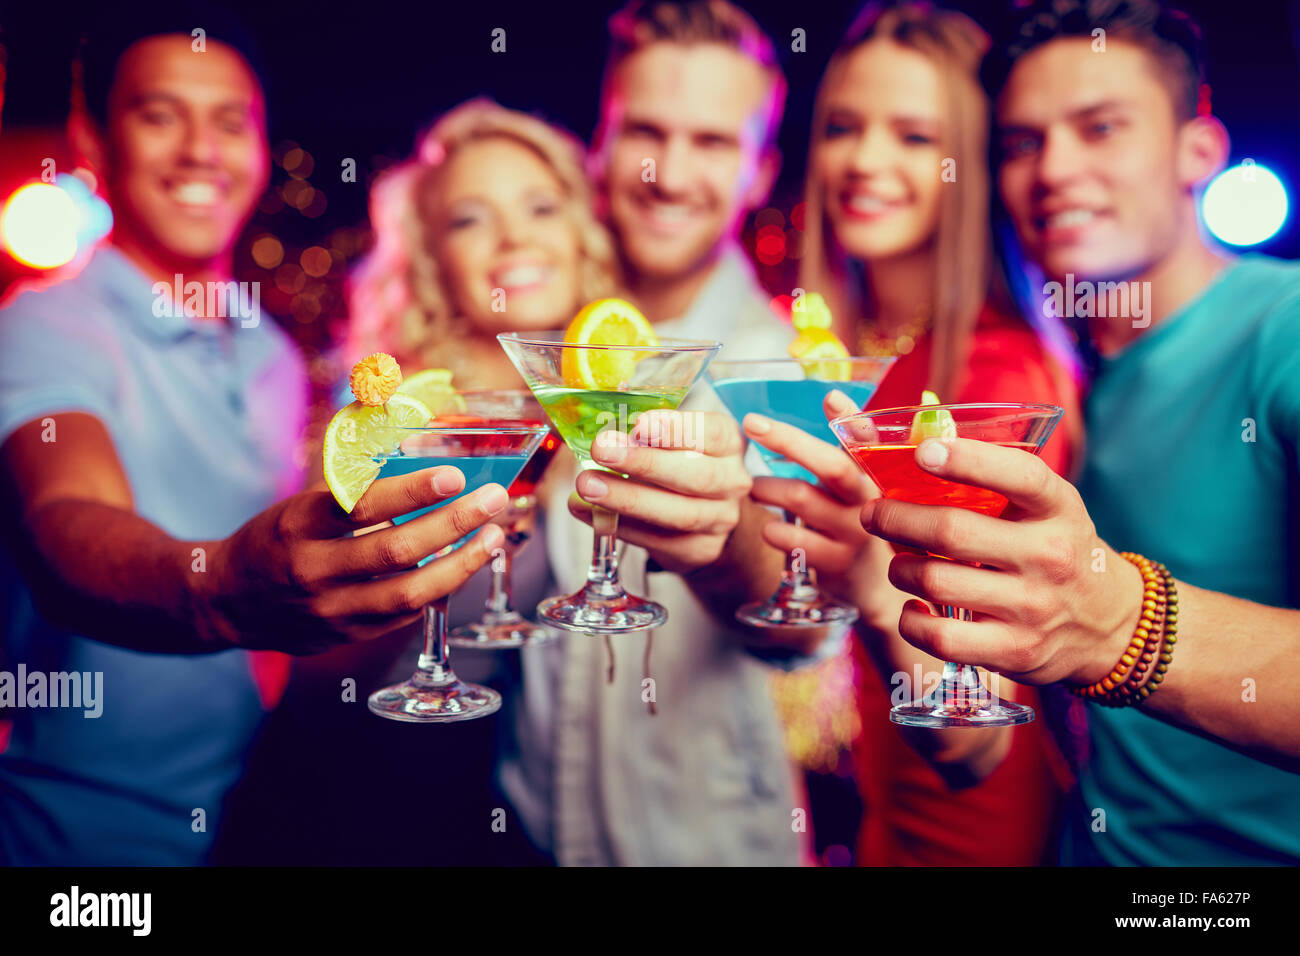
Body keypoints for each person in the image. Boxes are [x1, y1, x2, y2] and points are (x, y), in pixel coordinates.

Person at [0, 11, 507, 865]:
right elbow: (66, 525)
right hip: (75, 843)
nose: (201, 150)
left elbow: (306, 606)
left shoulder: (273, 356)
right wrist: (222, 586)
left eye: (230, 121)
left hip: (256, 822)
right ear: (93, 138)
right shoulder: (45, 326)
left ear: (262, 147)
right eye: (160, 115)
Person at [853, 0, 1300, 865]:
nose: (1053, 169)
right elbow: (971, 743)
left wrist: (1120, 624)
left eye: (1100, 128)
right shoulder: (1057, 379)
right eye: (1022, 142)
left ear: (1197, 151)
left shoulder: (1283, 329)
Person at [737, 1, 1082, 865]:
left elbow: (972, 736)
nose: (866, 160)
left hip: (958, 812)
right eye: (845, 127)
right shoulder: (839, 355)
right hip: (863, 803)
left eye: (916, 136)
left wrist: (858, 570)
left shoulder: (994, 377)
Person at [503, 0, 832, 865]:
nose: (670, 172)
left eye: (714, 142)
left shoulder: (780, 368)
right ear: (602, 144)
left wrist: (719, 543)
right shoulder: (547, 334)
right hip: (525, 829)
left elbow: (801, 630)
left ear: (760, 171)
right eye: (647, 131)